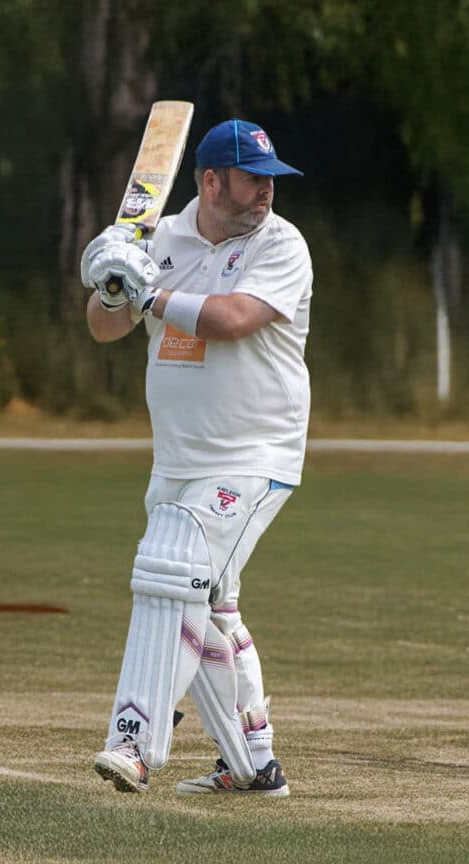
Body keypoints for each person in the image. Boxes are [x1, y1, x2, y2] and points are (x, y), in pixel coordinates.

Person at [80, 118, 312, 797]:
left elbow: (234, 318)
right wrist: (113, 279)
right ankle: (252, 765)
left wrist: (150, 291)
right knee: (208, 603)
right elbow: (104, 327)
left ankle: (135, 740)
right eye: (251, 180)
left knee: (173, 558)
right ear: (211, 182)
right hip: (178, 459)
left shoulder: (282, 244)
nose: (265, 193)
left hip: (255, 453)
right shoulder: (165, 238)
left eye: (271, 180)